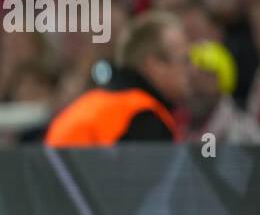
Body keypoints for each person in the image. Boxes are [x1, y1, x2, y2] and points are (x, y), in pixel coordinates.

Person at [44, 11, 189, 146]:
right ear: (155, 66)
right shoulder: (143, 118)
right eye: (184, 60)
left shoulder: (94, 103)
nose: (191, 70)